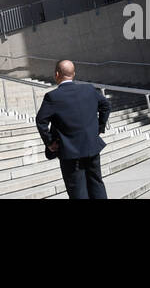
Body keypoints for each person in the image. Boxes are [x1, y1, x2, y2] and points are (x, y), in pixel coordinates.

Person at [35, 59, 111, 199]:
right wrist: (99, 128)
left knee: (77, 191)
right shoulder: (88, 89)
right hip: (91, 147)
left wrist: (50, 143)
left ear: (57, 74)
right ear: (73, 74)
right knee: (97, 184)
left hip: (70, 152)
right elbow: (106, 106)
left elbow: (41, 121)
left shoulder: (52, 96)